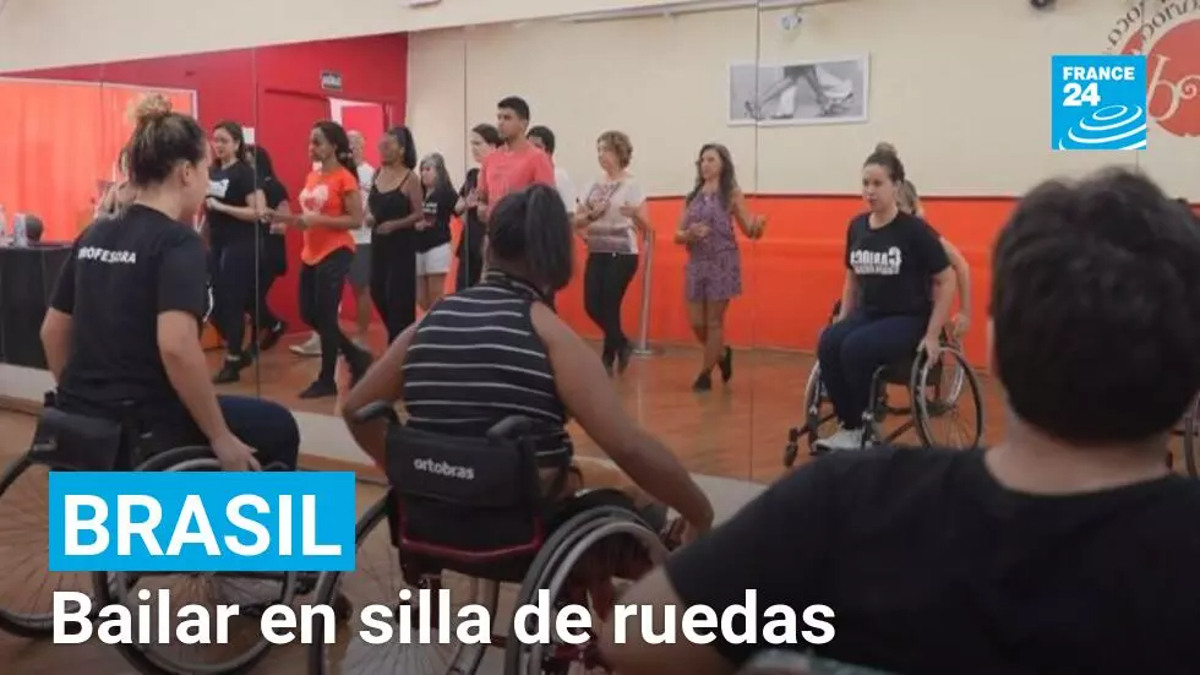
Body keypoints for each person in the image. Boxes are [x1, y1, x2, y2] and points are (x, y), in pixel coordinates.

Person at [601, 166, 1200, 675]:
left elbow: (632, 636)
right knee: (837, 339)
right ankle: (850, 413)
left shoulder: (845, 503)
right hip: (870, 323)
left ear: (994, 341)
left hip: (904, 329)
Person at [342, 184, 714, 545]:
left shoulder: (430, 321)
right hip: (517, 510)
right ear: (556, 256)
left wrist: (405, 467)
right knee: (642, 498)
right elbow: (627, 446)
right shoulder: (553, 337)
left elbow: (356, 408)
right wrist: (701, 513)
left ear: (489, 246)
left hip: (429, 502)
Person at [40, 95, 297, 472]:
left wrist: (83, 404)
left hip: (84, 415)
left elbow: (53, 331)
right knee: (278, 426)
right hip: (147, 418)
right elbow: (176, 346)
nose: (208, 181)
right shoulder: (178, 242)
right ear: (186, 172)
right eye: (206, 169)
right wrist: (219, 436)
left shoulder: (94, 233)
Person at [811, 149, 956, 452]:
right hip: (871, 314)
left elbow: (946, 278)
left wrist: (932, 334)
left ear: (896, 186)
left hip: (908, 318)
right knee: (829, 340)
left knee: (856, 348)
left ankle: (863, 426)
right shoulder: (857, 227)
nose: (870, 191)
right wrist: (843, 319)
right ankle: (850, 426)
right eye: (865, 183)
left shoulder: (914, 231)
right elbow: (851, 278)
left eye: (877, 183)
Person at [270, 120, 373, 399]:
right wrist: (286, 220)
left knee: (326, 316)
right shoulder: (312, 177)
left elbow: (355, 219)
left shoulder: (345, 178)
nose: (311, 148)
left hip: (336, 250)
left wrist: (317, 219)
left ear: (334, 146)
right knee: (308, 314)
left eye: (317, 142)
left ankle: (327, 379)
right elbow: (308, 217)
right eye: (310, 142)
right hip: (311, 252)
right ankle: (355, 355)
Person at [676, 143, 765, 392]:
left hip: (723, 261)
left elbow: (748, 228)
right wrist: (689, 234)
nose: (705, 164)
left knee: (714, 321)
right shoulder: (692, 197)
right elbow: (677, 233)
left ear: (723, 164)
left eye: (711, 160)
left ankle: (705, 374)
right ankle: (722, 354)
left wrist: (757, 226)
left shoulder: (732, 193)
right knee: (697, 322)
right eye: (702, 160)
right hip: (696, 262)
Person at [574, 130, 649, 376]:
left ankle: (608, 355)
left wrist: (635, 214)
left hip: (623, 253)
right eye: (598, 150)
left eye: (605, 150)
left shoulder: (632, 184)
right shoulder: (592, 184)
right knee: (591, 304)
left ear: (619, 153)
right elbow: (577, 221)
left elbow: (646, 226)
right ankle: (621, 343)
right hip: (598, 250)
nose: (601, 155)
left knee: (609, 303)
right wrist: (591, 215)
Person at [206, 121, 264, 384]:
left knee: (232, 303)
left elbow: (258, 212)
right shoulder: (212, 172)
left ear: (237, 144)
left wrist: (223, 208)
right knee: (216, 305)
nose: (218, 145)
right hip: (217, 244)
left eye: (224, 141)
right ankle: (238, 352)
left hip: (240, 244)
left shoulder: (245, 173)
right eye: (215, 140)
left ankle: (232, 361)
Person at [365, 126, 424, 344]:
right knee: (376, 290)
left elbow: (419, 214)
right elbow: (372, 205)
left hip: (401, 246)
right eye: (381, 145)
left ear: (401, 149)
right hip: (379, 243)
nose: (382, 150)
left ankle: (398, 344)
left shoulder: (410, 179)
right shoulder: (377, 174)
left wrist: (396, 225)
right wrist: (369, 215)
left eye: (388, 146)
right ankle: (401, 338)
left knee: (398, 297)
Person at [476, 96, 555, 222]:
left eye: (507, 118)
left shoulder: (538, 158)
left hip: (524, 235)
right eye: (499, 117)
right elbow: (483, 198)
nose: (500, 123)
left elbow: (546, 205)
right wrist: (482, 208)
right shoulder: (491, 159)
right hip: (495, 233)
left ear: (523, 124)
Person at [243, 144, 289, 351]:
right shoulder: (249, 187)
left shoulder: (274, 187)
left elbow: (283, 222)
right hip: (252, 250)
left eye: (249, 161)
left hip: (269, 251)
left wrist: (264, 214)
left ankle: (274, 324)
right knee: (251, 296)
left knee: (251, 296)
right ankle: (259, 336)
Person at [453, 123, 501, 291]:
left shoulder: (500, 174)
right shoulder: (473, 174)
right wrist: (468, 203)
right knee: (462, 289)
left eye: (478, 144)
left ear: (493, 146)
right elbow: (457, 208)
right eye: (471, 144)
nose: (473, 148)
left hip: (490, 239)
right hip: (470, 239)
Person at [416, 152, 457, 311]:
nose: (424, 173)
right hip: (417, 246)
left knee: (435, 293)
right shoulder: (418, 192)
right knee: (420, 297)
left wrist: (469, 202)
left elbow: (459, 208)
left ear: (438, 171)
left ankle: (435, 326)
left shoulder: (445, 191)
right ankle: (431, 320)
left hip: (437, 245)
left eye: (428, 169)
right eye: (422, 170)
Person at [527, 125, 577, 213]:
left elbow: (570, 211)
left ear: (548, 151)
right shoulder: (524, 175)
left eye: (537, 147)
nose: (532, 151)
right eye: (529, 147)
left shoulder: (559, 175)